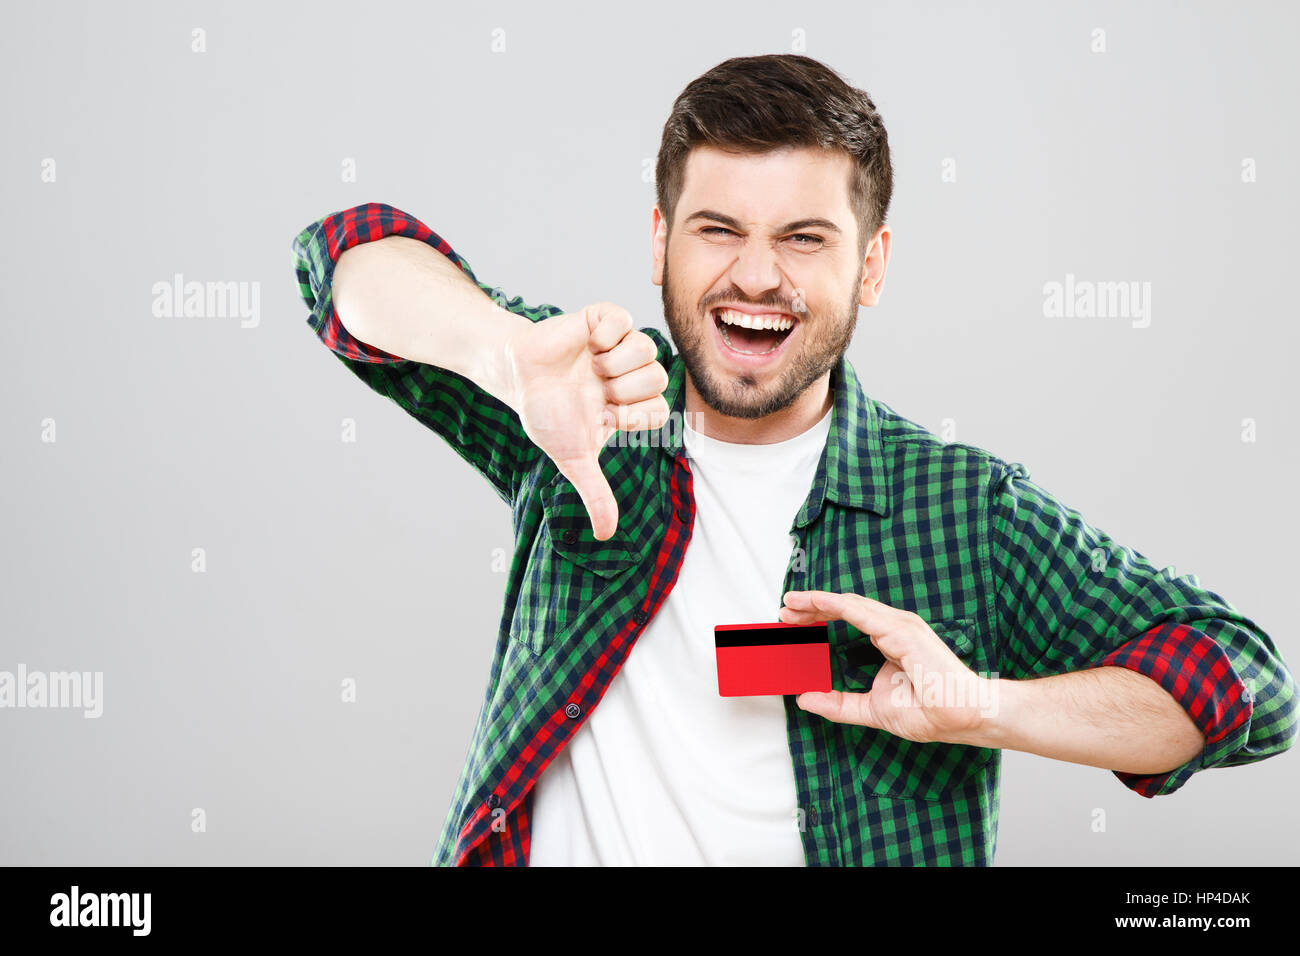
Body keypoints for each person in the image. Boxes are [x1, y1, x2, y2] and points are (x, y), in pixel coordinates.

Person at [290, 54, 1295, 866]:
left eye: (804, 237)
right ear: (659, 243)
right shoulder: (587, 395)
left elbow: (1247, 684)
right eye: (716, 229)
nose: (756, 274)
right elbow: (343, 259)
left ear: (873, 264)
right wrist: (503, 356)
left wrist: (987, 705)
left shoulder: (956, 505)